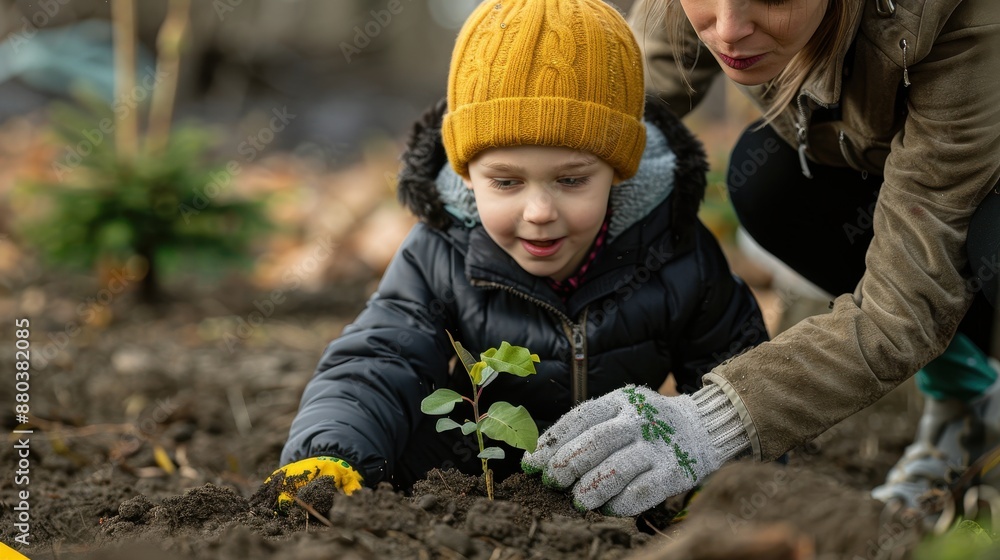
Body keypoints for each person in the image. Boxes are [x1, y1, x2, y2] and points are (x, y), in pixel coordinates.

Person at [266, 0, 767, 509]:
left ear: (620, 169)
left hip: (617, 489)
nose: (539, 211)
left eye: (572, 180)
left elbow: (733, 372)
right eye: (506, 182)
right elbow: (378, 361)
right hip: (460, 495)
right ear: (467, 176)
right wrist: (331, 457)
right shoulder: (440, 253)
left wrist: (725, 496)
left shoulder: (675, 249)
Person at [520, 0, 1000, 519]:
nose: (727, 31)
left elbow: (903, 308)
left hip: (978, 170)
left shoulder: (966, 22)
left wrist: (715, 418)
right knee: (769, 181)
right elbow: (638, 87)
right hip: (909, 163)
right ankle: (967, 402)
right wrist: (515, 180)